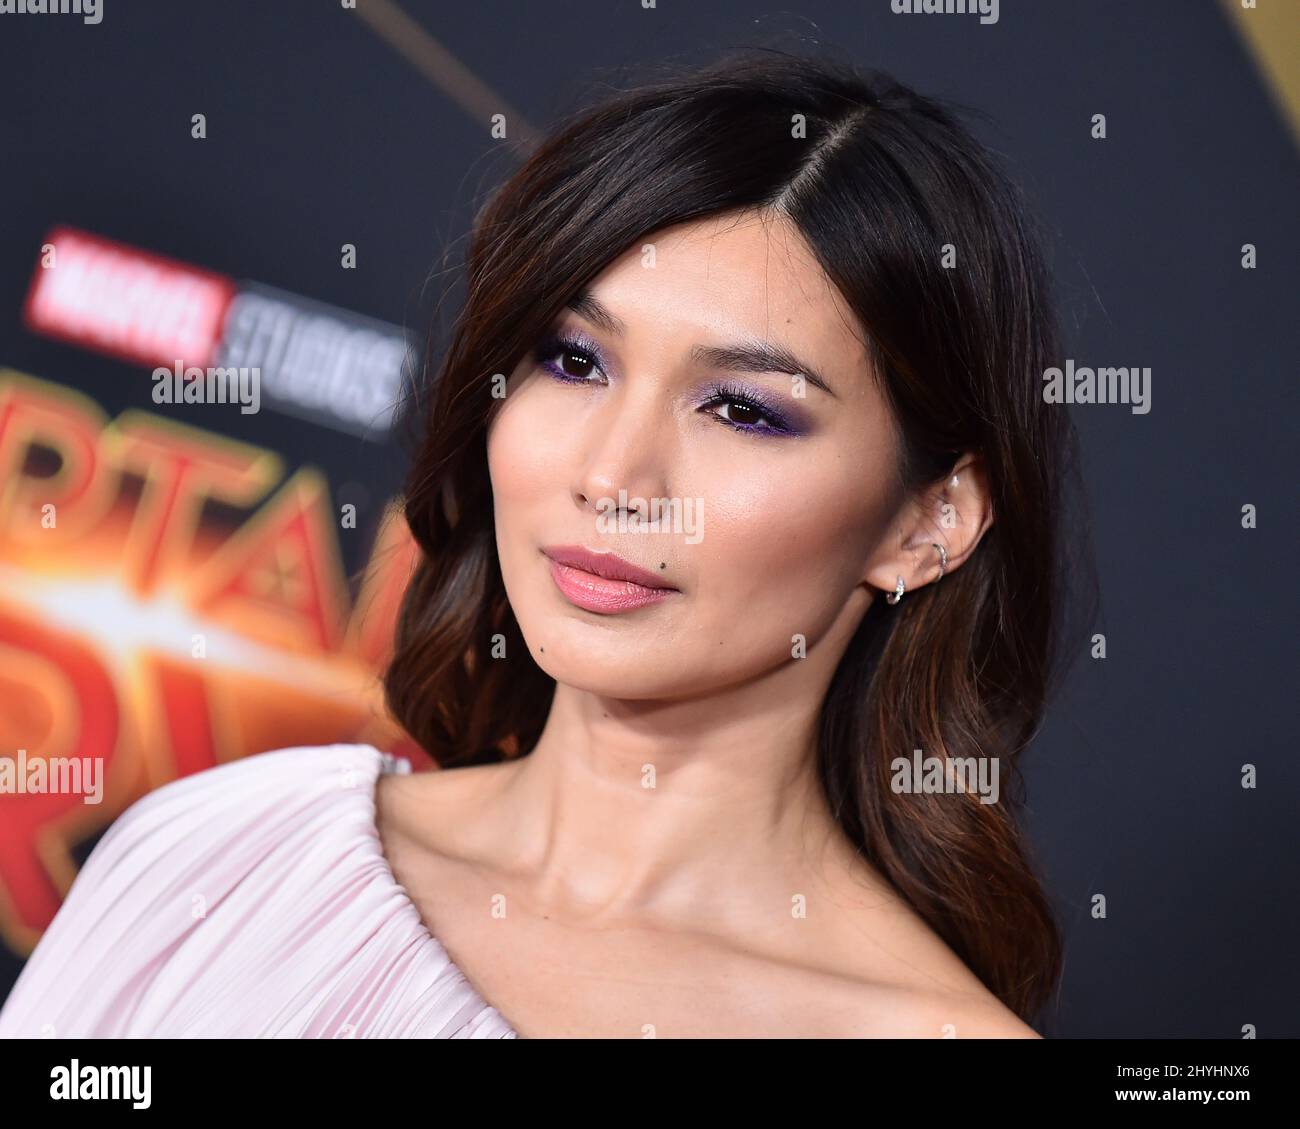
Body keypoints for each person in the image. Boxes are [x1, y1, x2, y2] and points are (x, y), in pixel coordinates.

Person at [0, 49, 1086, 1038]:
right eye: (574, 361)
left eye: (743, 411)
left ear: (925, 522)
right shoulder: (227, 856)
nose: (611, 477)